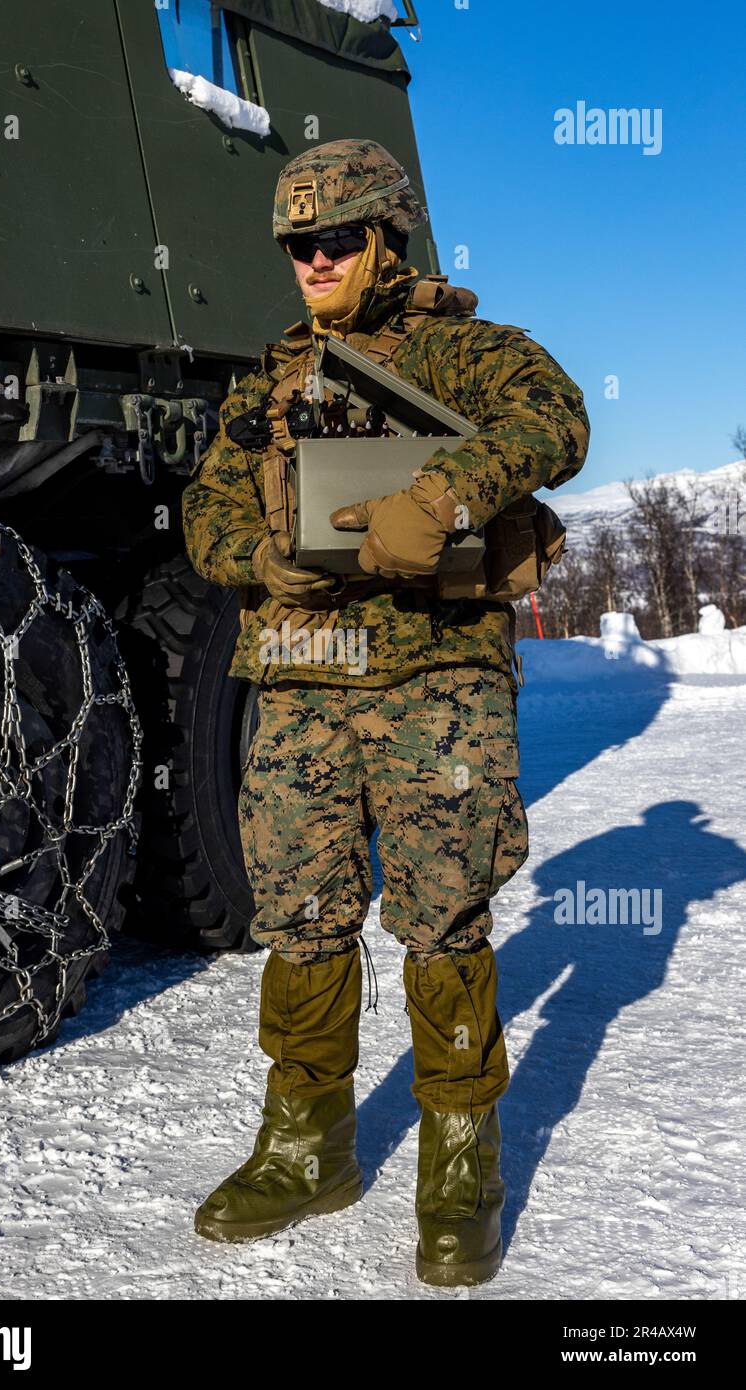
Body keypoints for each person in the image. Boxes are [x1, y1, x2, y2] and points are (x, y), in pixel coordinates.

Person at [181, 138, 589, 1286]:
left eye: (333, 239)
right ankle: (306, 1142)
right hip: (304, 675)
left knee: (441, 912)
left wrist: (444, 490)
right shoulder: (266, 385)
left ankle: (459, 1159)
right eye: (295, 244)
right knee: (299, 912)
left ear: (384, 238)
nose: (310, 260)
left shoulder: (464, 350)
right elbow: (203, 517)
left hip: (435, 681)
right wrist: (268, 558)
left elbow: (555, 418)